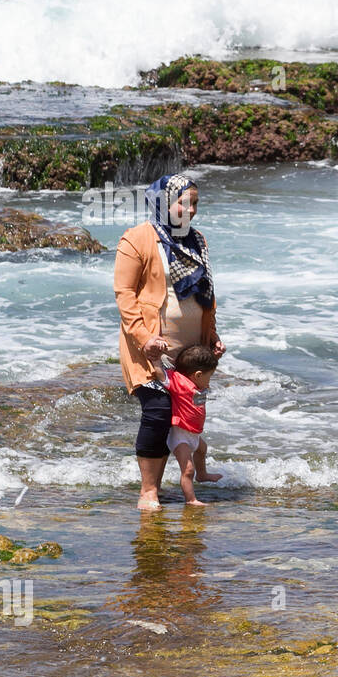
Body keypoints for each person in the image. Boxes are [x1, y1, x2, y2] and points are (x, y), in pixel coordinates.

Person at [114, 173, 224, 510]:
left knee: (186, 415)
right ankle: (149, 490)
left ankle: (190, 478)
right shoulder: (137, 239)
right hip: (149, 351)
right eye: (183, 202)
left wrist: (213, 335)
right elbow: (125, 294)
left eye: (195, 204)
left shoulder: (197, 240)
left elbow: (206, 292)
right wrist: (145, 337)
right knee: (159, 411)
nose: (190, 210)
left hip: (190, 355)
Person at [166, 343, 222, 506]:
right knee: (188, 469)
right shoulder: (180, 383)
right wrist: (155, 359)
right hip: (180, 436)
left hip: (193, 434)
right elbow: (163, 375)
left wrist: (214, 357)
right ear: (197, 375)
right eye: (209, 377)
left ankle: (202, 474)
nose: (209, 381)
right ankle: (191, 499)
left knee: (202, 449)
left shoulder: (198, 384)